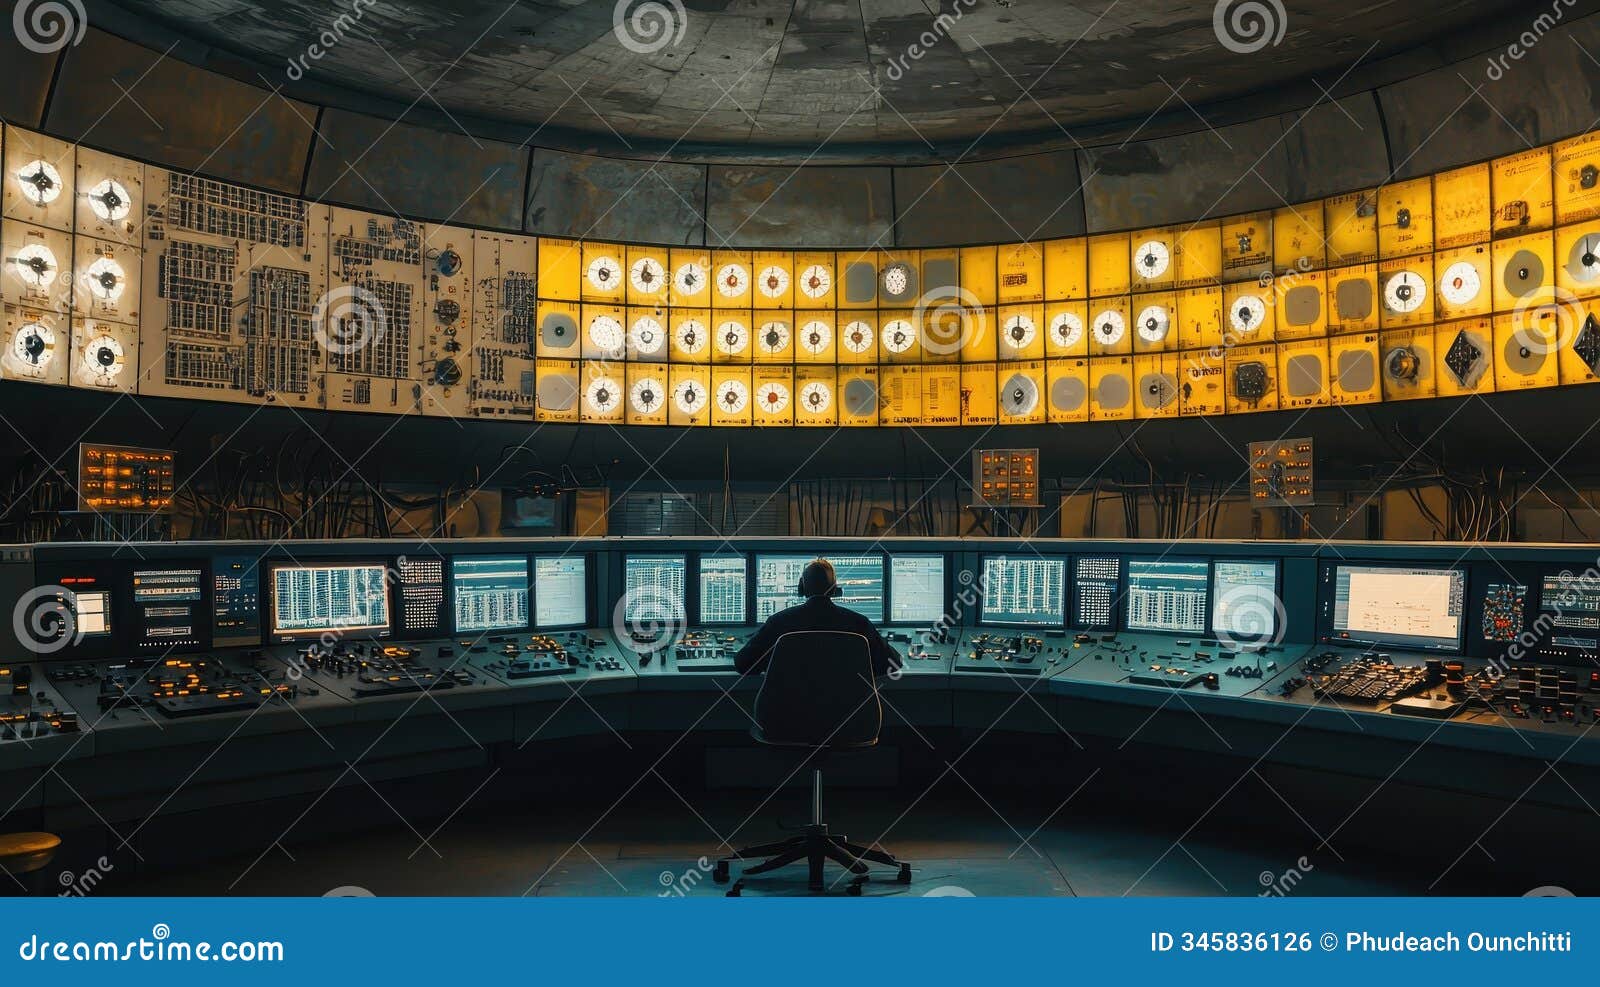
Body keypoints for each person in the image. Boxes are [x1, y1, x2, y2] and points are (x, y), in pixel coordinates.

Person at [734, 559, 901, 677]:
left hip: (786, 720)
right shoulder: (859, 624)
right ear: (835, 589)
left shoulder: (779, 623)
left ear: (801, 588)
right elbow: (892, 664)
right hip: (848, 720)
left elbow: (743, 664)